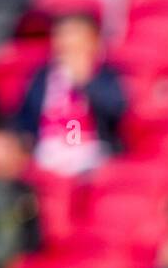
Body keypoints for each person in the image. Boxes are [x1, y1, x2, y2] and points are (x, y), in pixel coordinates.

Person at [16, 11, 125, 176]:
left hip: (92, 156)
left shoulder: (106, 75)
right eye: (61, 35)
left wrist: (86, 83)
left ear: (93, 41)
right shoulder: (42, 77)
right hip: (48, 155)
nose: (66, 42)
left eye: (73, 34)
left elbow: (116, 112)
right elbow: (26, 117)